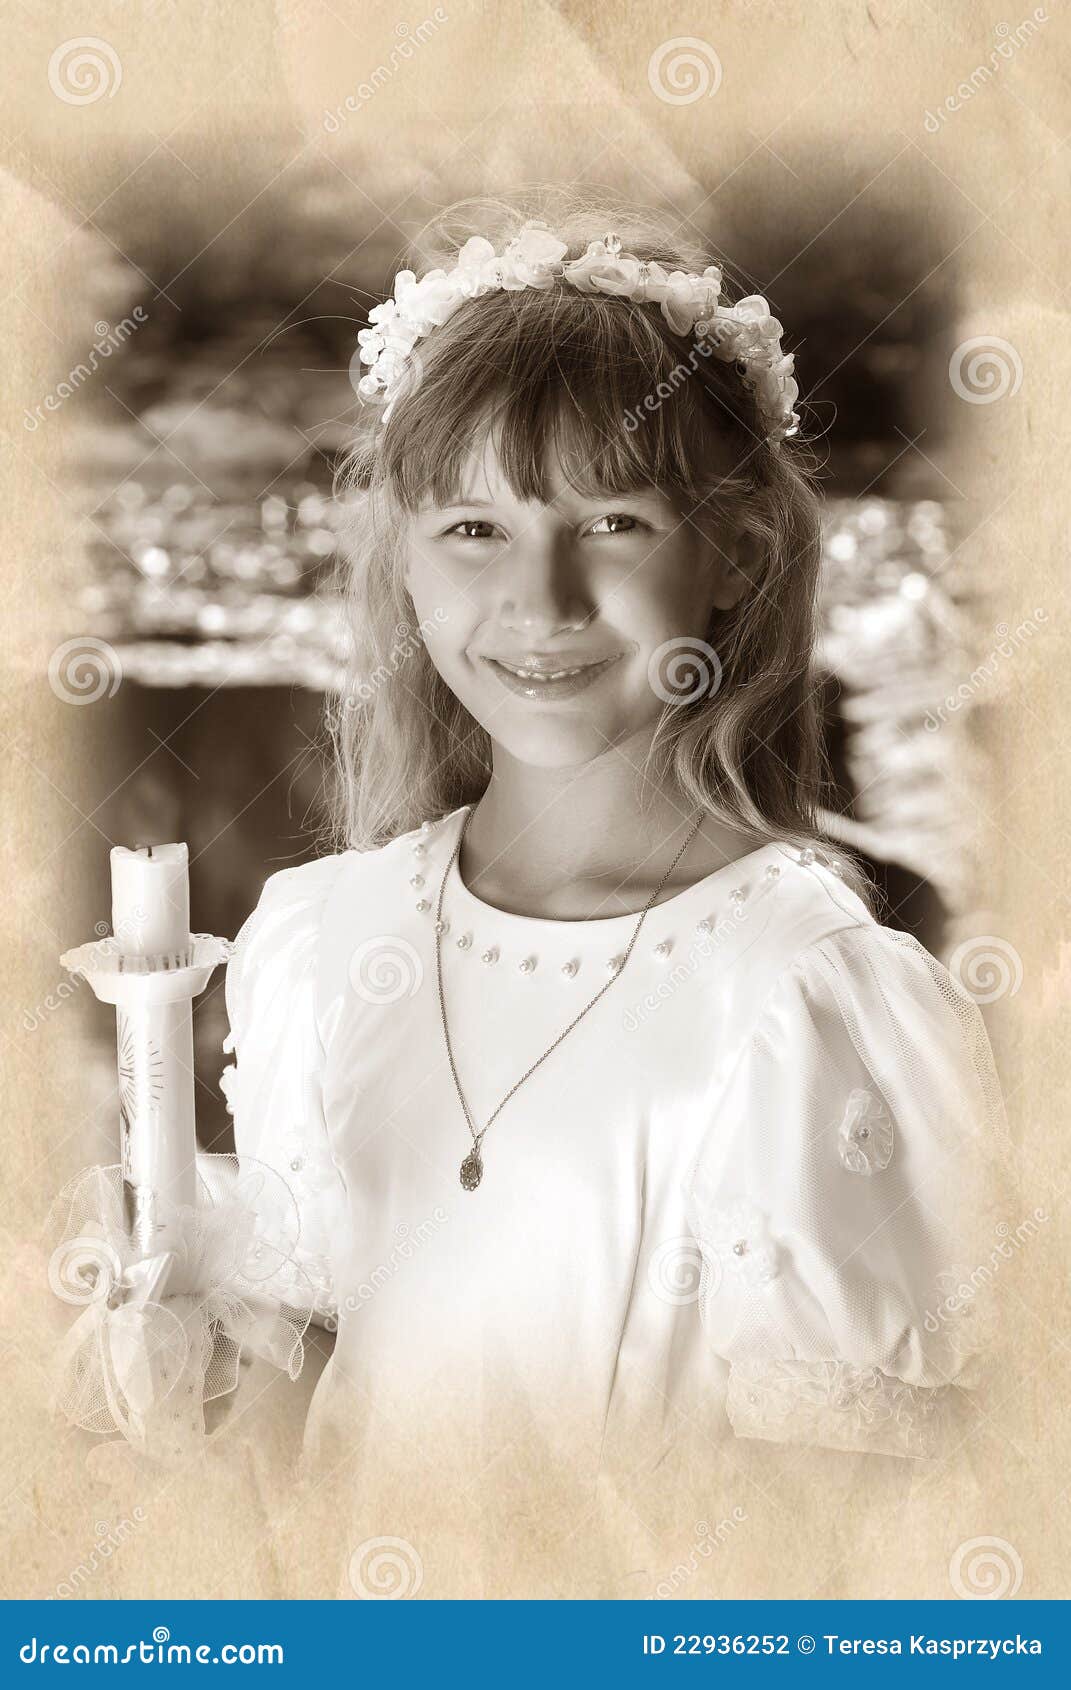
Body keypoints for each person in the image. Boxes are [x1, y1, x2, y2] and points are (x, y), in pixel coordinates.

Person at [218, 193, 1009, 1592]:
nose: (544, 598)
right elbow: (286, 1448)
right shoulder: (319, 941)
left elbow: (840, 1543)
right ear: (402, 558)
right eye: (472, 527)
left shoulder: (804, 998)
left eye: (616, 520)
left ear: (736, 557)